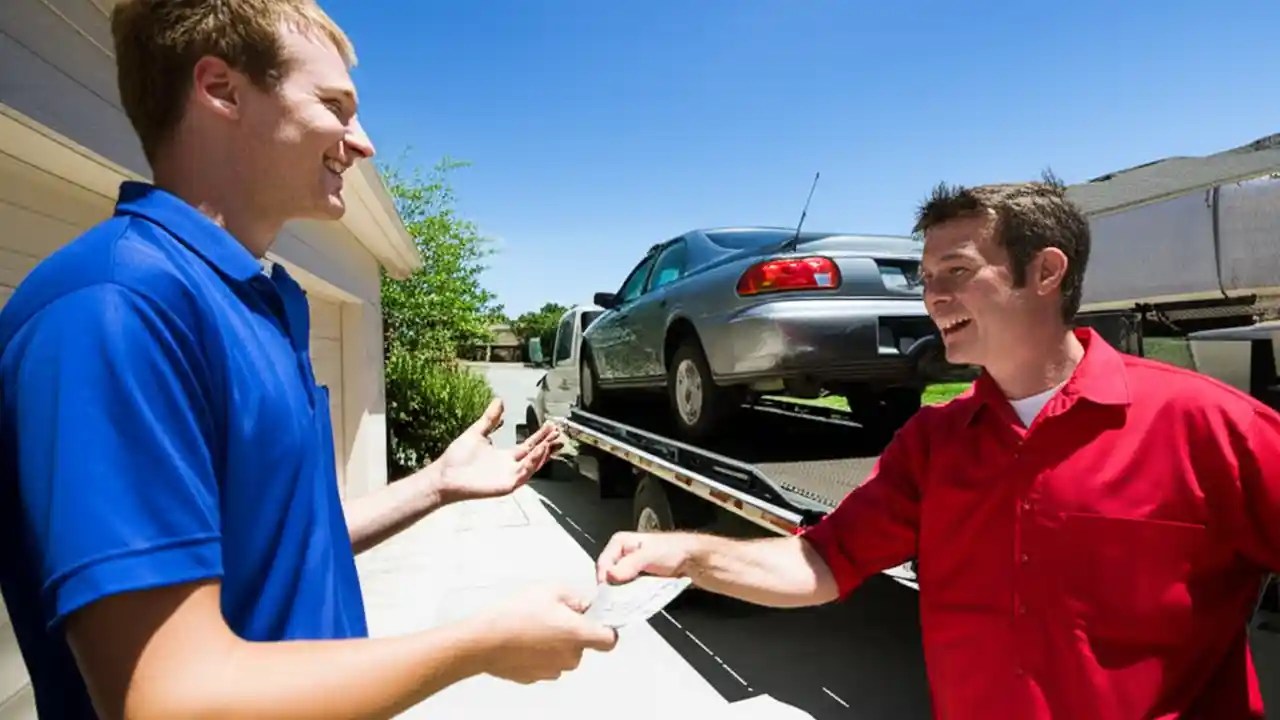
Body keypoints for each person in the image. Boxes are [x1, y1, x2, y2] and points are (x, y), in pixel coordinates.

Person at [0, 2, 616, 718]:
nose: (363, 143)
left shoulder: (255, 300)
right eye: (335, 106)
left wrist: (436, 485)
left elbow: (282, 544)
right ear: (221, 89)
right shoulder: (113, 308)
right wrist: (478, 645)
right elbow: (168, 699)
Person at [597, 179, 1280, 718]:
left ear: (1044, 272)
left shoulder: (1212, 428)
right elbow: (821, 562)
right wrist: (685, 554)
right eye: (924, 278)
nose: (931, 297)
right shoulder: (933, 443)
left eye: (955, 271)